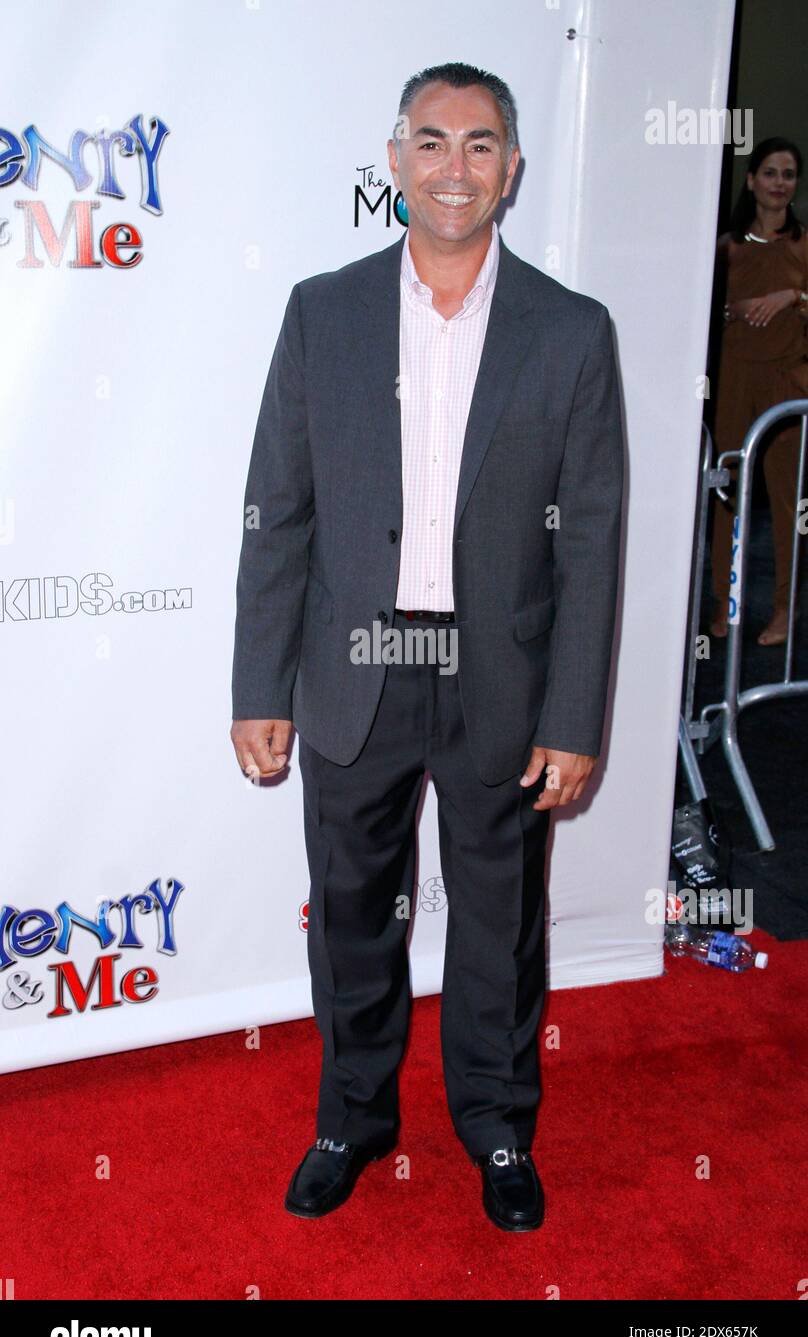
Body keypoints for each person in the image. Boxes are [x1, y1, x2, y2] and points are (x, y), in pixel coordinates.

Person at [230, 62, 625, 1233]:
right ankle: (351, 1119)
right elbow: (277, 510)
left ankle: (498, 1124)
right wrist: (261, 685)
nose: (457, 167)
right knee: (354, 911)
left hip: (498, 676)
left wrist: (571, 717)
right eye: (434, 141)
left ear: (510, 170)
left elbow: (591, 543)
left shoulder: (570, 330)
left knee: (501, 919)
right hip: (354, 667)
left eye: (483, 145)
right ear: (395, 161)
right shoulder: (323, 310)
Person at [709, 137, 808, 645]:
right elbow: (704, 315)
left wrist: (793, 295)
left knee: (789, 502)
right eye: (770, 172)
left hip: (788, 386)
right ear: (751, 180)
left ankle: (783, 611)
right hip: (734, 380)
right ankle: (726, 607)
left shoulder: (804, 246)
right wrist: (735, 310)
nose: (778, 183)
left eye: (788, 174)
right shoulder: (726, 248)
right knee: (727, 492)